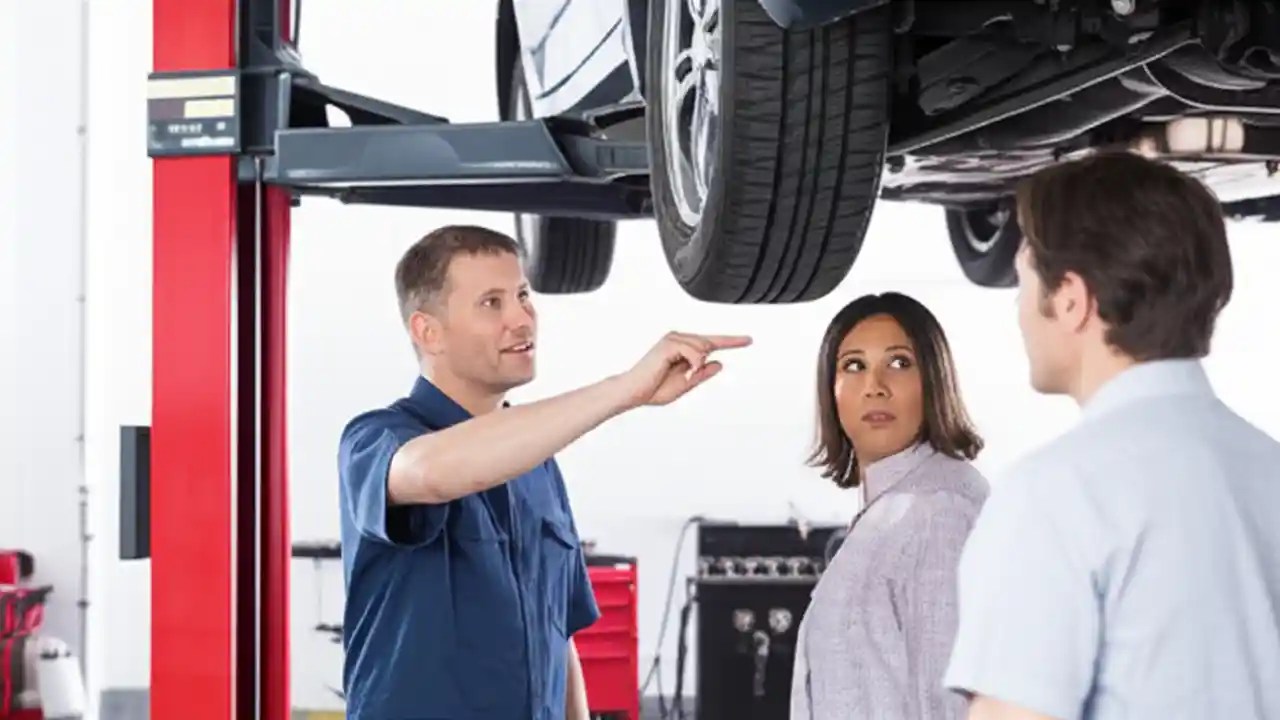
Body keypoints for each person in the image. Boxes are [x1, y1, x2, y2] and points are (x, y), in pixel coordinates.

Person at [335, 224, 751, 720]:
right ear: (429, 331)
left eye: (523, 295)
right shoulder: (375, 439)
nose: (522, 319)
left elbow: (560, 638)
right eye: (492, 303)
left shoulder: (538, 465)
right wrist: (624, 390)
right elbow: (428, 473)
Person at [943, 152, 1280, 720]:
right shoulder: (1268, 471)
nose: (1020, 312)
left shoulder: (1054, 495)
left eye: (1023, 282)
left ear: (1071, 300)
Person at [790, 291, 990, 720]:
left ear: (934, 379)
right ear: (831, 389)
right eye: (853, 366)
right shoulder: (890, 510)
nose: (874, 387)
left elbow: (952, 703)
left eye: (899, 363)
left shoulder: (940, 510)